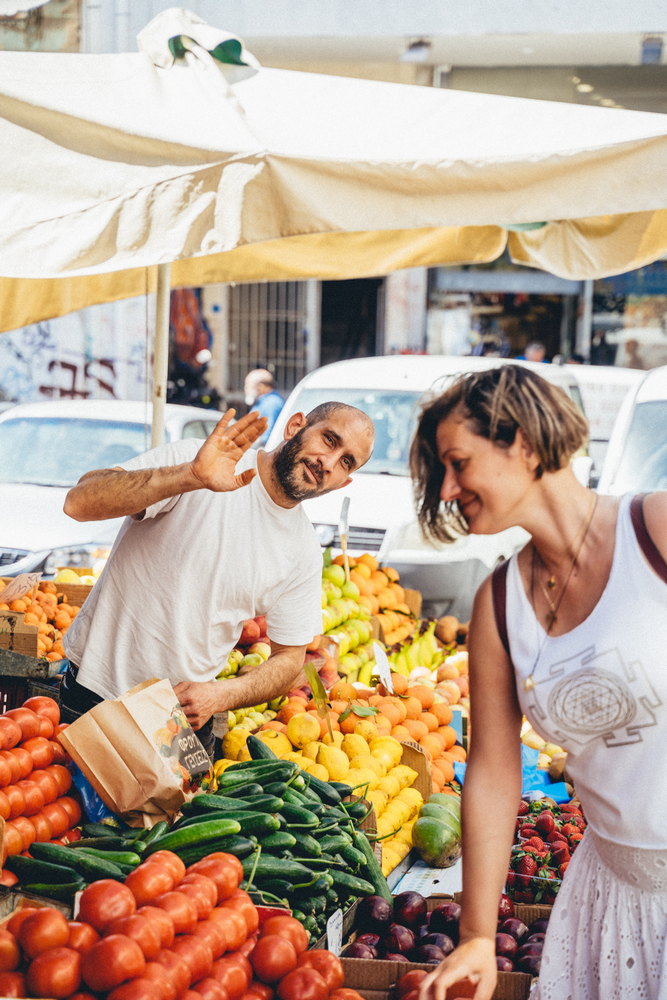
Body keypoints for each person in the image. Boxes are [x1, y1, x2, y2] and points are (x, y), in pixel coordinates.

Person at [411, 365, 667, 1000]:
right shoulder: (498, 606)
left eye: (458, 462)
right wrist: (475, 935)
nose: (447, 488)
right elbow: (494, 774)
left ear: (522, 443)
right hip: (614, 899)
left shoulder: (654, 532)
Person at [61, 403, 375, 757]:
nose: (328, 462)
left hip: (180, 725)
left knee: (175, 816)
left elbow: (290, 659)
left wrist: (219, 695)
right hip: (95, 695)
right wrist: (189, 476)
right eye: (329, 440)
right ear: (295, 426)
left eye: (346, 462)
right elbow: (78, 502)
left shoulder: (303, 551)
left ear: (344, 482)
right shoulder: (199, 460)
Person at [244, 369, 285, 446]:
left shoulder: (272, 403)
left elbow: (267, 436)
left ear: (261, 387)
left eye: (248, 387)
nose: (246, 391)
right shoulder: (262, 402)